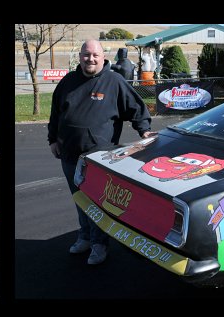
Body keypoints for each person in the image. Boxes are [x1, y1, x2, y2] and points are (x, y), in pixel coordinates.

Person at [47, 39, 154, 262]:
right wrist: (53, 140)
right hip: (68, 154)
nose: (90, 59)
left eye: (95, 55)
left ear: (103, 56)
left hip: (99, 157)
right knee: (79, 200)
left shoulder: (114, 82)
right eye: (86, 55)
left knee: (97, 203)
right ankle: (84, 237)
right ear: (80, 56)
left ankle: (99, 245)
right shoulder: (68, 82)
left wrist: (144, 130)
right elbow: (56, 113)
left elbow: (136, 108)